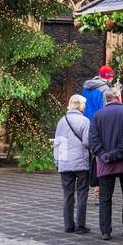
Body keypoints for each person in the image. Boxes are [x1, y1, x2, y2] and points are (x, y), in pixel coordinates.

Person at [88, 89, 123, 240]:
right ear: (118, 97)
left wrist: (104, 155)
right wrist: (118, 153)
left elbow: (93, 140)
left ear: (106, 99)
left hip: (105, 163)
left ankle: (105, 231)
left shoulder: (97, 115)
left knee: (105, 197)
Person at [53, 94, 91, 234]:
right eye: (83, 104)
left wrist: (57, 161)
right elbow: (87, 142)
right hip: (80, 163)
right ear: (79, 105)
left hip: (64, 162)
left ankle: (68, 225)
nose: (85, 106)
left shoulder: (62, 121)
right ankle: (81, 225)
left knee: (68, 194)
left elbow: (57, 143)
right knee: (82, 193)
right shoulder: (85, 121)